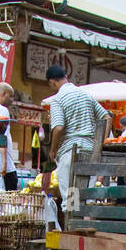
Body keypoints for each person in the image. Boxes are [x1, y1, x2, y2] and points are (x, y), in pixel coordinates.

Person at [45, 64, 110, 214]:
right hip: (90, 152)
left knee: (71, 201)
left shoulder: (57, 99)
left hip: (70, 153)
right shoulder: (85, 94)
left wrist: (53, 149)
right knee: (87, 199)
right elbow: (107, 117)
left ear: (52, 82)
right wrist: (101, 144)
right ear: (65, 78)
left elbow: (59, 127)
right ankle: (85, 232)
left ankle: (72, 233)